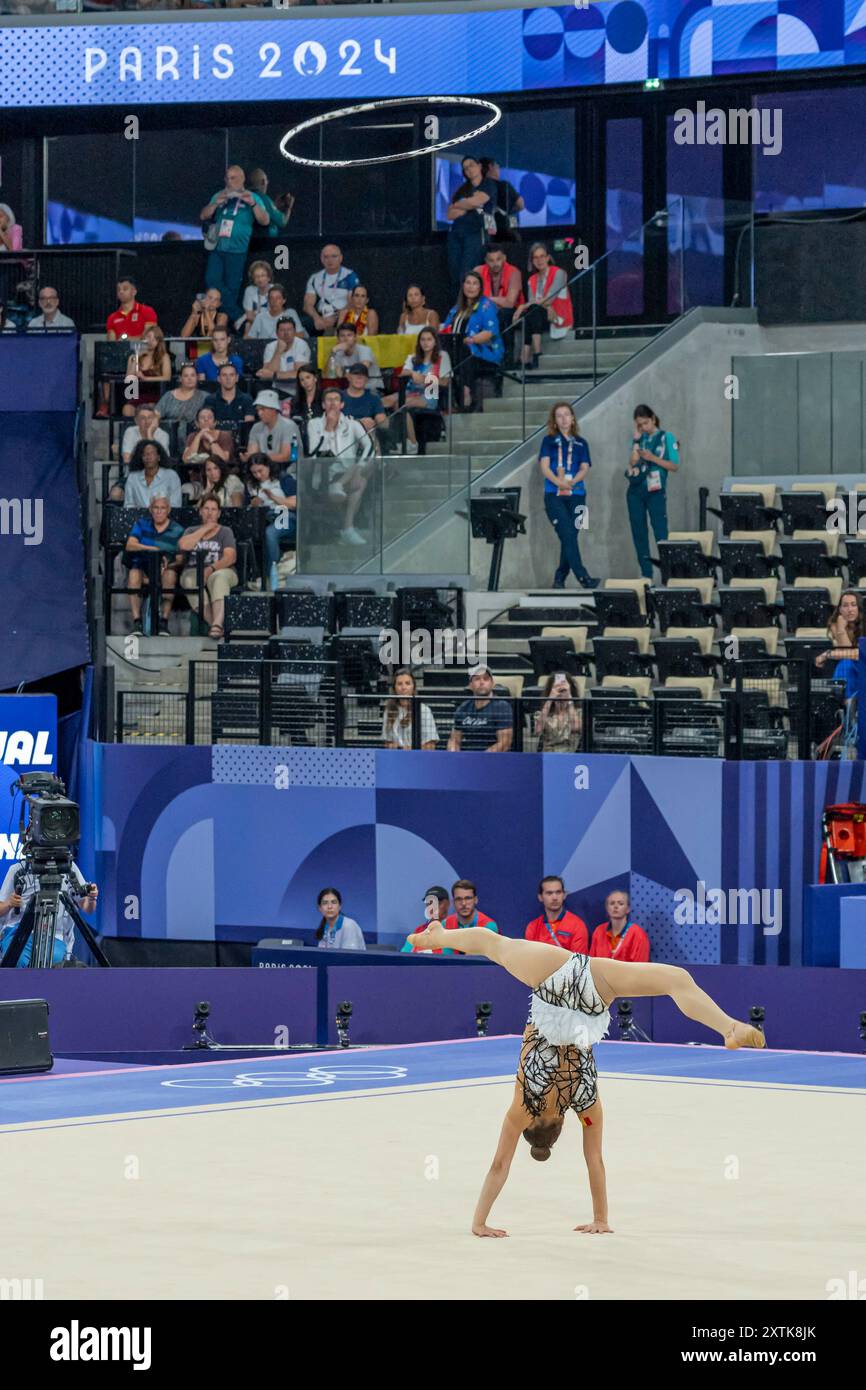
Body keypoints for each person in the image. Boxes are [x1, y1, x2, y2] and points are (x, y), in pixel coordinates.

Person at [403, 925, 765, 1237]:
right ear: (541, 1122)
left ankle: (729, 1028)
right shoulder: (522, 1108)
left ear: (561, 1123)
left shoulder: (582, 1102)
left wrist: (601, 1219)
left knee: (673, 981)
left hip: (587, 995)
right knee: (494, 945)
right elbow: (505, 1165)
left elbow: (594, 1161)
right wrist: (479, 1222)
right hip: (557, 979)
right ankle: (727, 1026)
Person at [199, 165, 270, 324]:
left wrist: (252, 204)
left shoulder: (253, 197)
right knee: (212, 280)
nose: (229, 181)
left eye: (233, 178)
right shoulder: (219, 195)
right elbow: (203, 215)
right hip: (218, 247)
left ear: (242, 179)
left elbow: (265, 220)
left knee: (231, 290)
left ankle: (227, 327)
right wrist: (215, 204)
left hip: (237, 250)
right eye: (227, 178)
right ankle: (239, 317)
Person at [539, 401, 598, 590]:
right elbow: (545, 467)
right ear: (554, 421)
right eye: (559, 415)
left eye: (567, 414)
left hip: (579, 494)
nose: (564, 418)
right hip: (554, 494)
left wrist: (572, 482)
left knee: (572, 535)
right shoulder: (548, 441)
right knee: (567, 534)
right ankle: (583, 577)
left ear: (573, 418)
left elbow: (585, 467)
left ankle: (559, 578)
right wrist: (559, 482)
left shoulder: (582, 442)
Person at [307, 387, 375, 546]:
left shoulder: (352, 424)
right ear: (323, 405)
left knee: (359, 471)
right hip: (324, 474)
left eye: (336, 400)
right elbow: (314, 452)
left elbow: (369, 446)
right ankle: (347, 529)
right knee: (359, 479)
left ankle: (347, 527)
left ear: (342, 404)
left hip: (348, 472)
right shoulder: (314, 424)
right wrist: (328, 428)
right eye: (329, 400)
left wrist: (361, 464)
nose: (332, 403)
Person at [0, 860, 98, 966]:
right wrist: (9, 903)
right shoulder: (18, 869)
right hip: (18, 934)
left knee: (55, 965)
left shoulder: (69, 867)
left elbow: (88, 908)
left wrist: (91, 898)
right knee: (19, 962)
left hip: (56, 937)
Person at [627, 403, 680, 580]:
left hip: (656, 490)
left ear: (653, 419)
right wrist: (635, 441)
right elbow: (633, 462)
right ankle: (646, 574)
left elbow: (674, 465)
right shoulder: (639, 439)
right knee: (639, 532)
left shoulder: (667, 437)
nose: (643, 427)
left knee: (660, 531)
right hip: (636, 490)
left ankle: (667, 573)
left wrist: (653, 458)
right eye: (639, 425)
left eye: (645, 423)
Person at [440, 272, 503, 413]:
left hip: (482, 351)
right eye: (468, 283)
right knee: (434, 355)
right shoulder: (456, 309)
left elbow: (489, 332)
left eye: (475, 283)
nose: (471, 287)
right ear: (463, 286)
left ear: (480, 287)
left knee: (463, 348)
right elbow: (445, 329)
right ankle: (432, 398)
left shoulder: (486, 305)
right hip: (455, 352)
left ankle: (466, 390)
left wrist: (472, 339)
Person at [178, 495, 238, 640]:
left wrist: (210, 569)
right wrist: (205, 529)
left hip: (222, 570)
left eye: (213, 509)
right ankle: (214, 625)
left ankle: (217, 623)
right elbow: (183, 545)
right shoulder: (191, 531)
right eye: (206, 509)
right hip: (193, 570)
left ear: (219, 513)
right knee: (189, 580)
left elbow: (230, 557)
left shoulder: (225, 531)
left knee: (218, 578)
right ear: (200, 511)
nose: (210, 513)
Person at [124, 494, 185, 637]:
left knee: (170, 575)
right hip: (143, 568)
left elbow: (180, 559)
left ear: (168, 510)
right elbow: (130, 545)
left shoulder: (178, 530)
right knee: (133, 574)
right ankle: (137, 622)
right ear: (151, 509)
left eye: (162, 508)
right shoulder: (141, 524)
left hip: (165, 570)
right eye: (156, 508)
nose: (159, 511)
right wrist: (154, 550)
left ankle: (164, 622)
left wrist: (168, 564)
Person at [512, 243, 573, 367]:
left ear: (548, 257)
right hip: (540, 316)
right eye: (535, 257)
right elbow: (535, 304)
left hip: (557, 315)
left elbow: (549, 300)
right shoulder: (532, 279)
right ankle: (535, 354)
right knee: (531, 312)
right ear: (532, 260)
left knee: (531, 309)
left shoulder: (559, 273)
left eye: (542, 256)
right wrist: (528, 306)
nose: (539, 260)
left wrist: (522, 305)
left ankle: (527, 356)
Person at [445, 154, 498, 296]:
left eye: (471, 165)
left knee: (469, 273)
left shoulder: (488, 184)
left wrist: (462, 205)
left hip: (476, 233)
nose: (469, 169)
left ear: (479, 166)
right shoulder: (462, 189)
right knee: (454, 274)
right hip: (456, 233)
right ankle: (457, 309)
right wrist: (466, 205)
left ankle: (470, 310)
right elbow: (450, 213)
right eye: (465, 168)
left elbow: (478, 201)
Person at [247, 457, 296, 592]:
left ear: (268, 466)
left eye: (260, 471)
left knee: (271, 532)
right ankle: (254, 574)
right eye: (254, 472)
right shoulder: (252, 485)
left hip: (284, 513)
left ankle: (272, 573)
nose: (258, 475)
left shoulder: (284, 480)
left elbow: (294, 504)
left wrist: (272, 497)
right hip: (263, 515)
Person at [399, 327, 452, 451]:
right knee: (385, 401)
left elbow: (445, 381)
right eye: (422, 339)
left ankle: (412, 443)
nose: (425, 343)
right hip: (411, 390)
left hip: (431, 391)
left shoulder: (442, 356)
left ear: (435, 341)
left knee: (400, 404)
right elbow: (403, 373)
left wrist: (423, 378)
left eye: (429, 339)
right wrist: (412, 373)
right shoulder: (413, 357)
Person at [448, 664, 513, 751]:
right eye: (477, 679)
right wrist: (454, 755)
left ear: (492, 684)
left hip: (493, 759)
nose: (482, 682)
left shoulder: (502, 707)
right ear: (470, 685)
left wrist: (481, 759)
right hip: (467, 757)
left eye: (486, 679)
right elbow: (454, 740)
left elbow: (504, 743)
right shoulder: (463, 708)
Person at [303, 244, 359, 336]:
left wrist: (335, 318)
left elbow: (352, 303)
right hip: (321, 316)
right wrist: (317, 318)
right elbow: (307, 305)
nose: (330, 260)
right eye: (326, 257)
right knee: (299, 324)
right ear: (321, 259)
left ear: (340, 258)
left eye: (334, 256)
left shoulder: (350, 275)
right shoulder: (315, 278)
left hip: (343, 315)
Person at [815, 589, 862, 698]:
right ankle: (847, 703)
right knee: (846, 663)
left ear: (859, 608)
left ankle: (844, 703)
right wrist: (841, 629)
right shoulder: (836, 624)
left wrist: (828, 654)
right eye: (845, 606)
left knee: (847, 663)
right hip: (852, 666)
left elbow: (857, 654)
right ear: (840, 609)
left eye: (853, 605)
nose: (849, 609)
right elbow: (848, 652)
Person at [475, 245, 524, 350]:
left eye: (498, 259)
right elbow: (472, 298)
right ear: (486, 261)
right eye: (491, 260)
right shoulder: (478, 271)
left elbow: (510, 303)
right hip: (486, 312)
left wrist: (487, 300)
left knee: (502, 314)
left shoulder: (514, 272)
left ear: (504, 258)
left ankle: (506, 358)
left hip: (513, 313)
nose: (495, 264)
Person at [240, 390, 302, 469]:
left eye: (263, 409)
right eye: (258, 410)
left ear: (273, 409)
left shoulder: (289, 426)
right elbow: (253, 454)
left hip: (289, 470)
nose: (259, 413)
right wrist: (247, 458)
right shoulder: (256, 428)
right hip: (264, 471)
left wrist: (260, 457)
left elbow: (287, 456)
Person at [525, 875, 588, 951]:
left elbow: (579, 961)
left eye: (558, 892)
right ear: (540, 897)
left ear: (564, 895)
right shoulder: (533, 927)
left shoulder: (577, 925)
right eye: (549, 893)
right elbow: (529, 958)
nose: (554, 897)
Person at [382, 668, 438, 750]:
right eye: (399, 684)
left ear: (413, 687)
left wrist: (408, 749)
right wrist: (395, 747)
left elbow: (430, 746)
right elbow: (387, 743)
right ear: (394, 688)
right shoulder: (389, 710)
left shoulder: (424, 710)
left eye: (407, 683)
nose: (403, 687)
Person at [589, 890, 650, 962]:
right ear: (607, 908)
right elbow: (592, 962)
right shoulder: (599, 931)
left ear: (628, 909)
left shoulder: (638, 934)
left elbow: (641, 968)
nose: (616, 906)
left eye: (620, 904)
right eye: (612, 903)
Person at [155, 363, 208, 446]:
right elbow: (156, 415)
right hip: (170, 437)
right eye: (186, 376)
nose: (190, 378)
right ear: (180, 378)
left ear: (197, 378)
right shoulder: (168, 396)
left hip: (197, 437)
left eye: (192, 375)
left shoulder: (205, 397)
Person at [124, 324, 172, 413]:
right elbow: (129, 378)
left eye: (154, 339)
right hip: (138, 394)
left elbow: (167, 377)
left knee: (150, 409)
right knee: (127, 409)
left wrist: (146, 378)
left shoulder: (164, 357)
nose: (151, 341)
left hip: (155, 395)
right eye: (149, 337)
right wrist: (137, 357)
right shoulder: (133, 357)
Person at [123, 440, 182, 509]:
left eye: (152, 454)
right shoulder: (133, 477)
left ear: (159, 457)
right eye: (144, 454)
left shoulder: (171, 476)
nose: (148, 457)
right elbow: (129, 505)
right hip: (139, 518)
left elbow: (175, 505)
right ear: (141, 458)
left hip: (164, 518)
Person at [535, 672, 583, 752]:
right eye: (556, 687)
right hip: (548, 756)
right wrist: (550, 698)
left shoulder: (577, 712)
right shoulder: (544, 712)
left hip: (570, 757)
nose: (560, 691)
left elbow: (576, 727)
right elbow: (538, 730)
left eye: (563, 689)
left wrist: (569, 698)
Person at [325, 322, 383, 389]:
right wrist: (333, 351)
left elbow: (362, 371)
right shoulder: (338, 353)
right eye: (342, 336)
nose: (346, 338)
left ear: (355, 337)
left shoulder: (364, 350)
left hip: (372, 388)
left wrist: (343, 374)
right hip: (350, 390)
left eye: (349, 335)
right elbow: (329, 374)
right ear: (338, 339)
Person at [480, 157, 525, 240]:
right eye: (497, 166)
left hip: (486, 235)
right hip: (504, 232)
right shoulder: (504, 186)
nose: (499, 169)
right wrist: (508, 212)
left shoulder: (478, 188)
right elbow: (521, 204)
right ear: (490, 167)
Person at [203, 362, 255, 432]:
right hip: (216, 438)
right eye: (224, 375)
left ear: (237, 378)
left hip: (240, 440)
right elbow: (207, 425)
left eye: (231, 375)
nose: (228, 378)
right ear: (218, 378)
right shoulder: (210, 400)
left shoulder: (247, 399)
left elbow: (248, 427)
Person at [257, 317, 311, 382]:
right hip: (276, 388)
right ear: (277, 333)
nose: (286, 333)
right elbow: (265, 376)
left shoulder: (301, 345)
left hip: (296, 389)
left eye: (289, 329)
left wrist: (275, 375)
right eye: (282, 330)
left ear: (294, 331)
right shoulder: (270, 347)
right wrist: (278, 351)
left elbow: (300, 374)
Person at [247, 168, 294, 241]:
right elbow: (282, 221)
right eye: (266, 180)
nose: (267, 182)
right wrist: (289, 206)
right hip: (262, 245)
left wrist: (274, 206)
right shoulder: (263, 198)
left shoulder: (245, 196)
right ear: (263, 182)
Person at [400, 886, 451, 954]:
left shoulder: (454, 928)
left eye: (437, 903)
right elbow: (403, 957)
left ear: (447, 904)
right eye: (429, 904)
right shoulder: (418, 932)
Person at [106, 277, 157, 342]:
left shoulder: (147, 311)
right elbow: (111, 344)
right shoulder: (112, 318)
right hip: (121, 351)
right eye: (118, 289)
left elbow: (150, 338)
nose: (121, 292)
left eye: (125, 289)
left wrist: (126, 340)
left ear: (134, 292)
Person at [341, 363, 386, 437]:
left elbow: (384, 425)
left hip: (367, 435)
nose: (359, 377)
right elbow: (332, 421)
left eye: (363, 375)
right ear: (348, 377)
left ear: (367, 380)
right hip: (344, 435)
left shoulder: (374, 398)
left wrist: (377, 421)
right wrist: (359, 423)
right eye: (355, 374)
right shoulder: (339, 397)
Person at [293, 366, 324, 454]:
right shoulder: (295, 401)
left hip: (321, 437)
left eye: (308, 377)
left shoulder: (324, 398)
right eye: (302, 380)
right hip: (301, 439)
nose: (305, 382)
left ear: (315, 378)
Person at [237, 259, 273, 334]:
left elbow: (274, 313)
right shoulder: (249, 290)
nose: (260, 279)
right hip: (252, 321)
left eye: (263, 275)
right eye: (257, 276)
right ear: (253, 279)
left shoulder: (275, 290)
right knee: (248, 325)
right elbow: (249, 315)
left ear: (269, 277)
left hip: (271, 322)